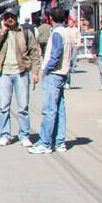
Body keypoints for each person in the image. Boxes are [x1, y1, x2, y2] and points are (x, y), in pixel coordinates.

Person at [0, 8, 40, 146]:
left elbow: (34, 52)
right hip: (4, 73)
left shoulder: (25, 33)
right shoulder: (1, 32)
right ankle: (5, 134)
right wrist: (2, 32)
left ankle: (24, 135)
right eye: (7, 17)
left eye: (12, 17)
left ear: (17, 17)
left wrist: (35, 71)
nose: (9, 20)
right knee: (4, 106)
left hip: (21, 72)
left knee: (23, 106)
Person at [30, 8, 76, 155]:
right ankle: (60, 142)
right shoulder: (68, 32)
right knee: (60, 110)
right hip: (63, 73)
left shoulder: (56, 33)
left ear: (50, 18)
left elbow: (55, 54)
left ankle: (45, 143)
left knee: (49, 110)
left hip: (54, 74)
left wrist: (46, 69)